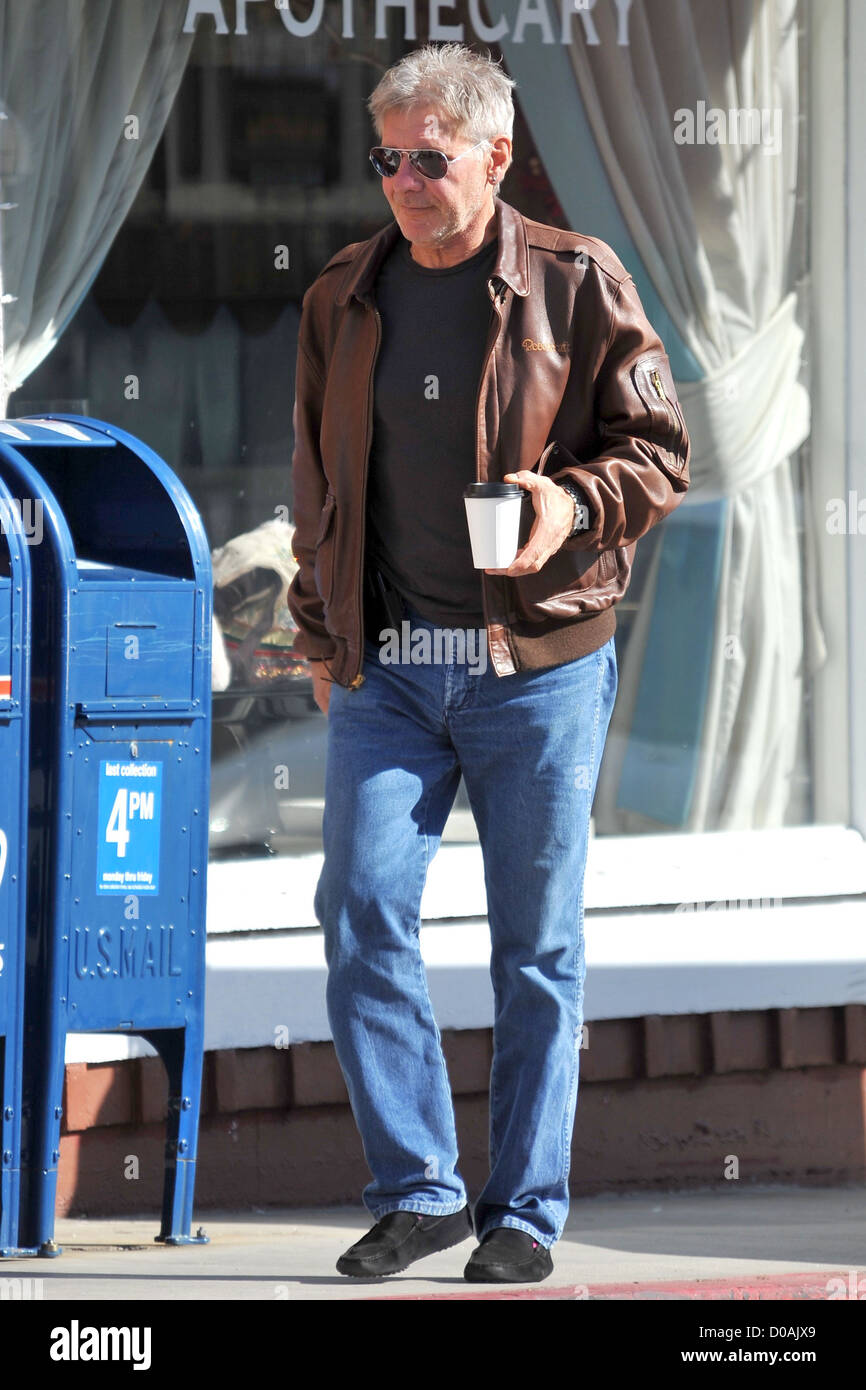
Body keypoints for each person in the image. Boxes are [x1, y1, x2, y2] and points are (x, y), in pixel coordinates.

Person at [287, 42, 690, 1284]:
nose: (404, 181)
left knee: (534, 949)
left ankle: (522, 1213)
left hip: (537, 666)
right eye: (387, 158)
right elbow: (316, 483)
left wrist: (567, 506)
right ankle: (419, 1190)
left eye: (429, 158)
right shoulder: (344, 295)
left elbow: (660, 450)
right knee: (358, 914)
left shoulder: (575, 282)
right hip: (391, 671)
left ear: (495, 156)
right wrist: (318, 630)